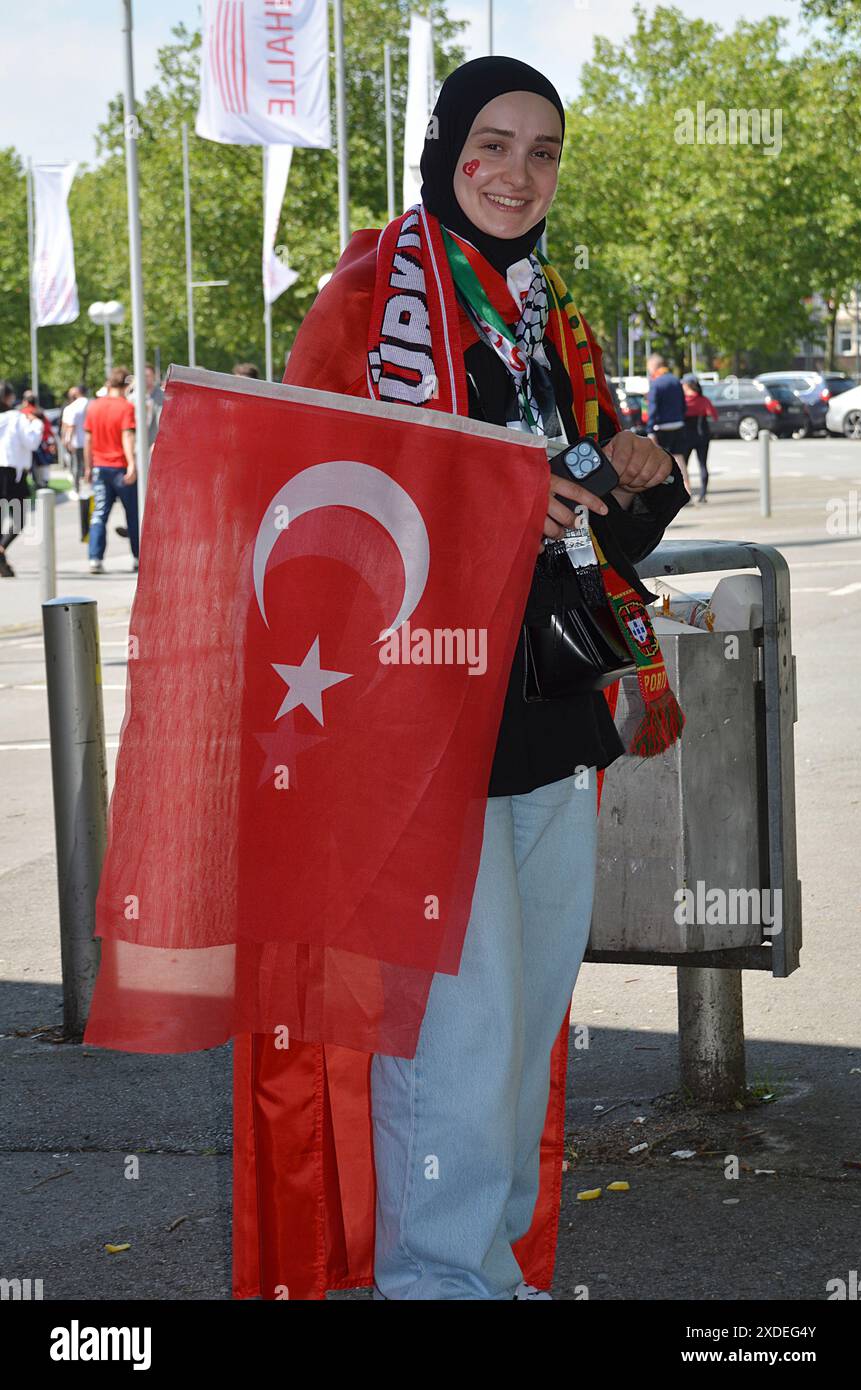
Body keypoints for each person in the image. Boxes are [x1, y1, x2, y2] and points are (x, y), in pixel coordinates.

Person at [234, 57, 689, 1302]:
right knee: (454, 1033)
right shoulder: (374, 291)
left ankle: (486, 1274)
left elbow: (580, 526)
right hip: (414, 721)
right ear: (443, 149)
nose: (515, 172)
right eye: (491, 143)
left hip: (546, 715)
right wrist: (497, 494)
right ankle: (440, 1284)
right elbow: (309, 485)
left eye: (542, 151)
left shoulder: (547, 314)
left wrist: (631, 483)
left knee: (519, 1032)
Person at [83, 366, 139, 574]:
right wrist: (132, 463)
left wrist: (88, 466)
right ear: (126, 385)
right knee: (132, 514)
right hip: (120, 468)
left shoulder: (94, 407)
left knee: (99, 514)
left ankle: (95, 559)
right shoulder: (126, 407)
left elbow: (88, 439)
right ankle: (137, 557)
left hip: (99, 467)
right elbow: (127, 436)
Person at [0, 381, 44, 577]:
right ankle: (1, 550)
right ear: (9, 398)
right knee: (18, 519)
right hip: (11, 472)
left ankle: (2, 559)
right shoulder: (17, 418)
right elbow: (32, 442)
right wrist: (37, 423)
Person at [646, 353, 689, 493]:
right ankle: (686, 489)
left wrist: (650, 430)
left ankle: (667, 491)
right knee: (680, 458)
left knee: (662, 459)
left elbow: (652, 409)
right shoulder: (676, 380)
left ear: (654, 366)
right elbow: (683, 404)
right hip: (678, 424)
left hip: (661, 427)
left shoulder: (656, 383)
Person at [682, 373, 718, 503]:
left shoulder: (683, 401)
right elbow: (714, 415)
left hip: (686, 437)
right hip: (703, 435)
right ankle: (703, 494)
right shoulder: (703, 400)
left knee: (683, 466)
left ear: (687, 385)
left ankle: (686, 494)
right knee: (703, 464)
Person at [19, 389, 57, 488]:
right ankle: (43, 483)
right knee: (42, 465)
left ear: (25, 401)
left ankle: (37, 484)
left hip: (27, 444)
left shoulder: (22, 413)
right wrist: (51, 443)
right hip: (41, 443)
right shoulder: (40, 412)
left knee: (30, 466)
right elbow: (48, 430)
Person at [61, 384, 89, 498]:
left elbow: (70, 426)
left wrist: (67, 440)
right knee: (88, 466)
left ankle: (77, 489)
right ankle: (89, 487)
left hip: (78, 442)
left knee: (77, 466)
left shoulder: (73, 407)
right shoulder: (91, 403)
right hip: (90, 442)